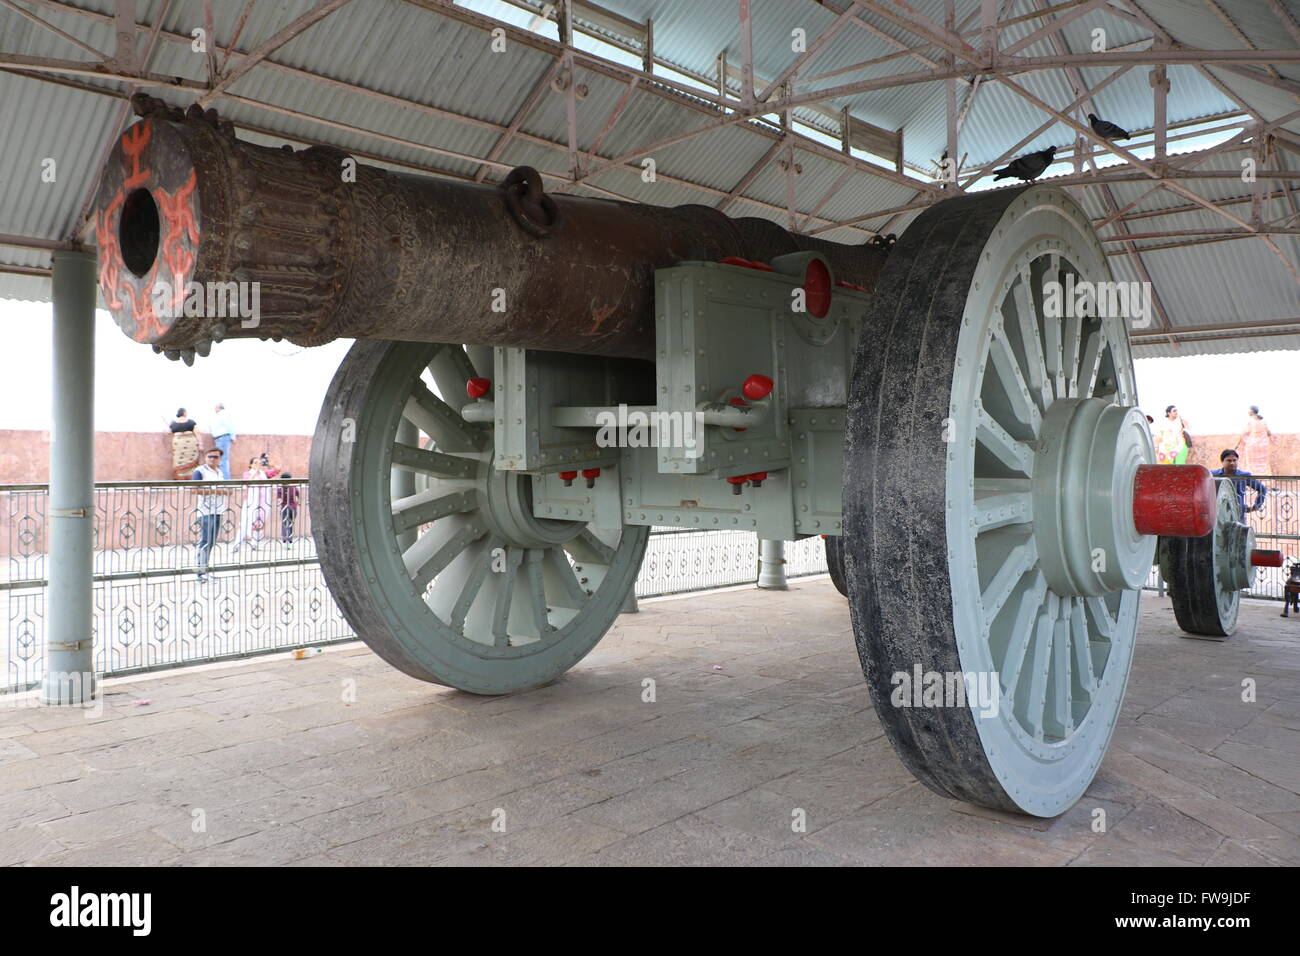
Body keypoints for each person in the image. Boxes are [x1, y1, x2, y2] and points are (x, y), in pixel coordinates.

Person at [192, 449, 231, 582]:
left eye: (215, 457)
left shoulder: (220, 472)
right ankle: (199, 572)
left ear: (220, 459)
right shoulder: (200, 471)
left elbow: (227, 490)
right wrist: (217, 491)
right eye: (210, 457)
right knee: (205, 541)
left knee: (211, 542)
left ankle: (205, 570)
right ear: (205, 457)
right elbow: (195, 490)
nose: (212, 459)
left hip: (218, 510)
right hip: (205, 511)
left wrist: (224, 491)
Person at [1213, 449, 1267, 517]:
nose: (1232, 463)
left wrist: (1256, 506)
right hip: (1219, 515)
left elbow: (1262, 488)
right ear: (1222, 461)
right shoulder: (1214, 475)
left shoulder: (1244, 475)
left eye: (1234, 460)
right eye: (1229, 460)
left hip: (1238, 515)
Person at [233, 456, 270, 551]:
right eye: (255, 462)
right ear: (251, 464)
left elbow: (277, 471)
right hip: (251, 502)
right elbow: (248, 482)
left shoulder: (263, 474)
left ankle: (255, 544)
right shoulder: (247, 473)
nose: (258, 464)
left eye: (259, 463)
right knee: (245, 522)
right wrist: (255, 472)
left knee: (258, 523)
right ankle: (236, 545)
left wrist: (268, 464)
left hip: (262, 502)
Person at [1235, 406, 1272, 475]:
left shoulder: (1250, 421)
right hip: (1263, 447)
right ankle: (1265, 483)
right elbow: (1269, 433)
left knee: (1251, 466)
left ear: (1251, 411)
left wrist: (1236, 445)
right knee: (1263, 465)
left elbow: (1243, 434)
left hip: (1252, 446)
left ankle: (1252, 482)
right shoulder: (1263, 421)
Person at [169, 407, 200, 480]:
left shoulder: (173, 423)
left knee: (179, 461)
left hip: (178, 443)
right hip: (191, 443)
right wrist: (200, 443)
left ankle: (180, 478)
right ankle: (192, 478)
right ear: (184, 413)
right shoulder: (191, 422)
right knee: (192, 460)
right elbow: (197, 433)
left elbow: (171, 432)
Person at [210, 402, 236, 479]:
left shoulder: (224, 414)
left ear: (218, 408)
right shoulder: (218, 416)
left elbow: (229, 425)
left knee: (223, 460)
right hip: (219, 438)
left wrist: (232, 436)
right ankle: (223, 479)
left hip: (223, 437)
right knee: (221, 460)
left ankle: (226, 480)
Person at [276, 472, 300, 544]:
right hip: (293, 509)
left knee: (285, 524)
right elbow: (296, 500)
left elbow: (279, 500)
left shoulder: (280, 489)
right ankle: (290, 541)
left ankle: (285, 540)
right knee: (290, 524)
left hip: (284, 508)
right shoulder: (294, 488)